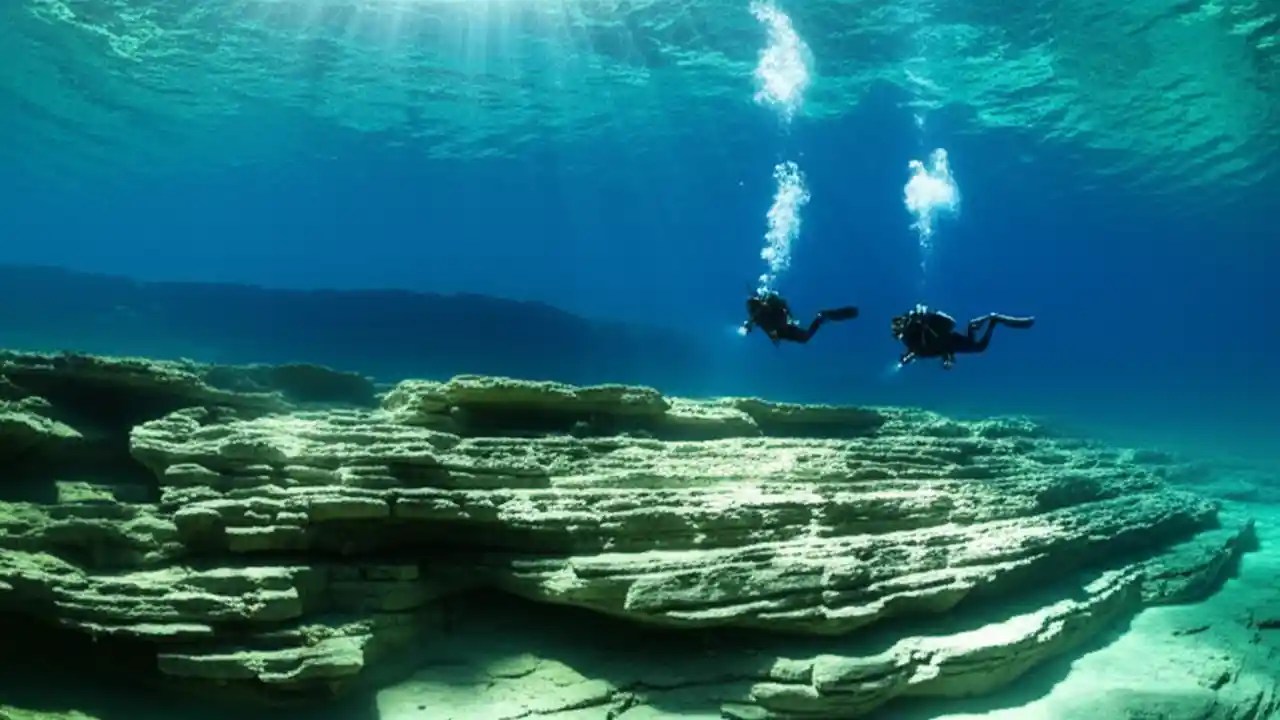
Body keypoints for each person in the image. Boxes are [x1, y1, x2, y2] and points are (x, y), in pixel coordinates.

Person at [891, 303, 1035, 369]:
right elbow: (938, 348)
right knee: (976, 346)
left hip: (950, 341)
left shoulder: (915, 343)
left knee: (980, 348)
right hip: (951, 341)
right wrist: (947, 360)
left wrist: (948, 360)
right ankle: (977, 324)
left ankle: (993, 320)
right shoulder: (914, 343)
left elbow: (939, 347)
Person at [741, 289, 859, 345]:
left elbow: (784, 307)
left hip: (784, 327)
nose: (755, 313)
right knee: (804, 338)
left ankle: (821, 316)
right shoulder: (755, 316)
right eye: (753, 311)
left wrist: (790, 318)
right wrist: (746, 329)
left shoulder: (771, 304)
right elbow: (750, 324)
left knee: (805, 337)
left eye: (756, 309)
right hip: (780, 331)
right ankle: (822, 317)